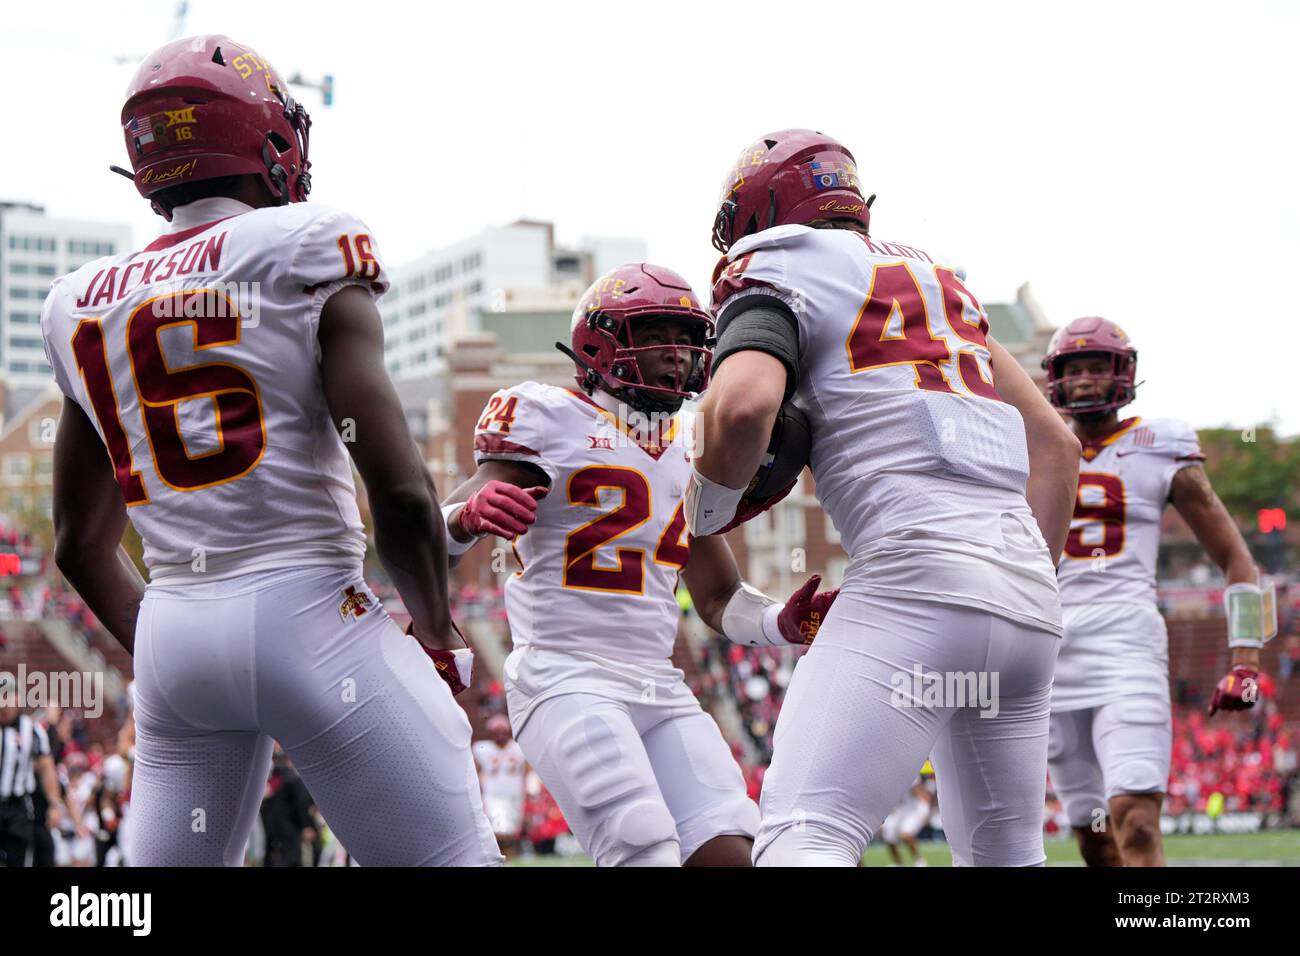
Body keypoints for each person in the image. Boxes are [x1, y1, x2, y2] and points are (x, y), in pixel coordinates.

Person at [40, 34, 500, 866]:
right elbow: (397, 491)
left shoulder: (78, 304)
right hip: (310, 610)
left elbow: (79, 543)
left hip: (174, 632)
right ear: (266, 138)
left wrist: (187, 634)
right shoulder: (304, 243)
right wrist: (437, 632)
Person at [691, 129, 1081, 866]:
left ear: (759, 214)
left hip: (915, 583)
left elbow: (741, 409)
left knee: (805, 834)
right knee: (1006, 855)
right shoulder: (942, 287)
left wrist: (706, 508)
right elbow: (1059, 450)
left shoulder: (776, 265)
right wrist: (1013, 587)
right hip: (1029, 602)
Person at [441, 263, 837, 866]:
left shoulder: (689, 447)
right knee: (639, 838)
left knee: (732, 847)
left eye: (687, 337)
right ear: (603, 340)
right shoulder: (546, 416)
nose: (677, 355)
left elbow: (716, 596)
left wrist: (780, 622)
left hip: (659, 682)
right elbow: (433, 532)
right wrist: (464, 518)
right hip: (565, 674)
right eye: (658, 333)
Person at [1040, 317, 1261, 866]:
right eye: (1076, 370)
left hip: (1127, 643)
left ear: (1123, 374)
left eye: (1097, 368)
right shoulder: (1033, 444)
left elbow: (1237, 558)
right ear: (1055, 379)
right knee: (1092, 835)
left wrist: (1247, 659)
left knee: (1136, 822)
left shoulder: (1159, 444)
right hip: (1047, 646)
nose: (1087, 381)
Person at [473, 715, 527, 859]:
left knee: (512, 827)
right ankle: (502, 856)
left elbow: (527, 769)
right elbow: (475, 770)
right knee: (500, 826)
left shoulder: (518, 748)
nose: (500, 735)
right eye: (496, 731)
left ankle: (505, 854)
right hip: (493, 794)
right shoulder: (481, 749)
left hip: (514, 793)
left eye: (503, 731)